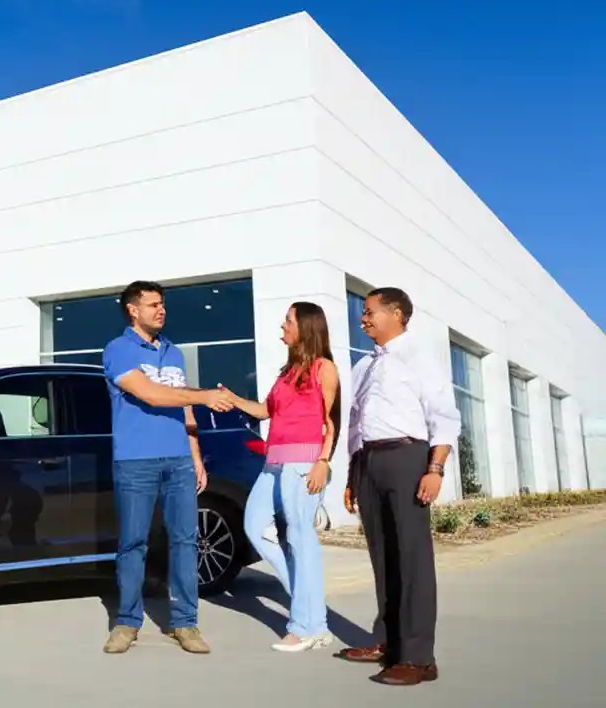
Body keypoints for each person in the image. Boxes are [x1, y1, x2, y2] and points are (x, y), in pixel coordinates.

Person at [100, 280, 235, 655]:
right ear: (133, 309)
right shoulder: (119, 350)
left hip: (178, 462)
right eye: (153, 304)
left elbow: (183, 406)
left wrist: (194, 454)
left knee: (185, 540)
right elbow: (152, 394)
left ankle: (185, 623)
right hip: (135, 461)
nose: (161, 310)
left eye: (163, 304)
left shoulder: (174, 353)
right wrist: (207, 395)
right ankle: (127, 623)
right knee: (133, 543)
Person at [338, 287, 461, 686]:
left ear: (397, 314)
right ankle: (389, 642)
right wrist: (353, 474)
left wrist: (435, 469)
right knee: (383, 557)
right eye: (364, 313)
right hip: (369, 462)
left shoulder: (419, 359)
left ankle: (420, 657)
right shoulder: (364, 367)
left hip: (408, 458)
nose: (364, 319)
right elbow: (356, 424)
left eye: (370, 312)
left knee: (412, 559)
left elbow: (443, 417)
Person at [218, 301, 340, 652]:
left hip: (304, 463)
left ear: (306, 327)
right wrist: (233, 399)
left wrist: (323, 461)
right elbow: (265, 411)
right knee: (255, 527)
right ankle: (310, 609)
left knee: (301, 539)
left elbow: (330, 421)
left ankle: (307, 624)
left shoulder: (323, 368)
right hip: (274, 462)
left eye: (288, 321)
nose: (282, 326)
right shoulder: (287, 373)